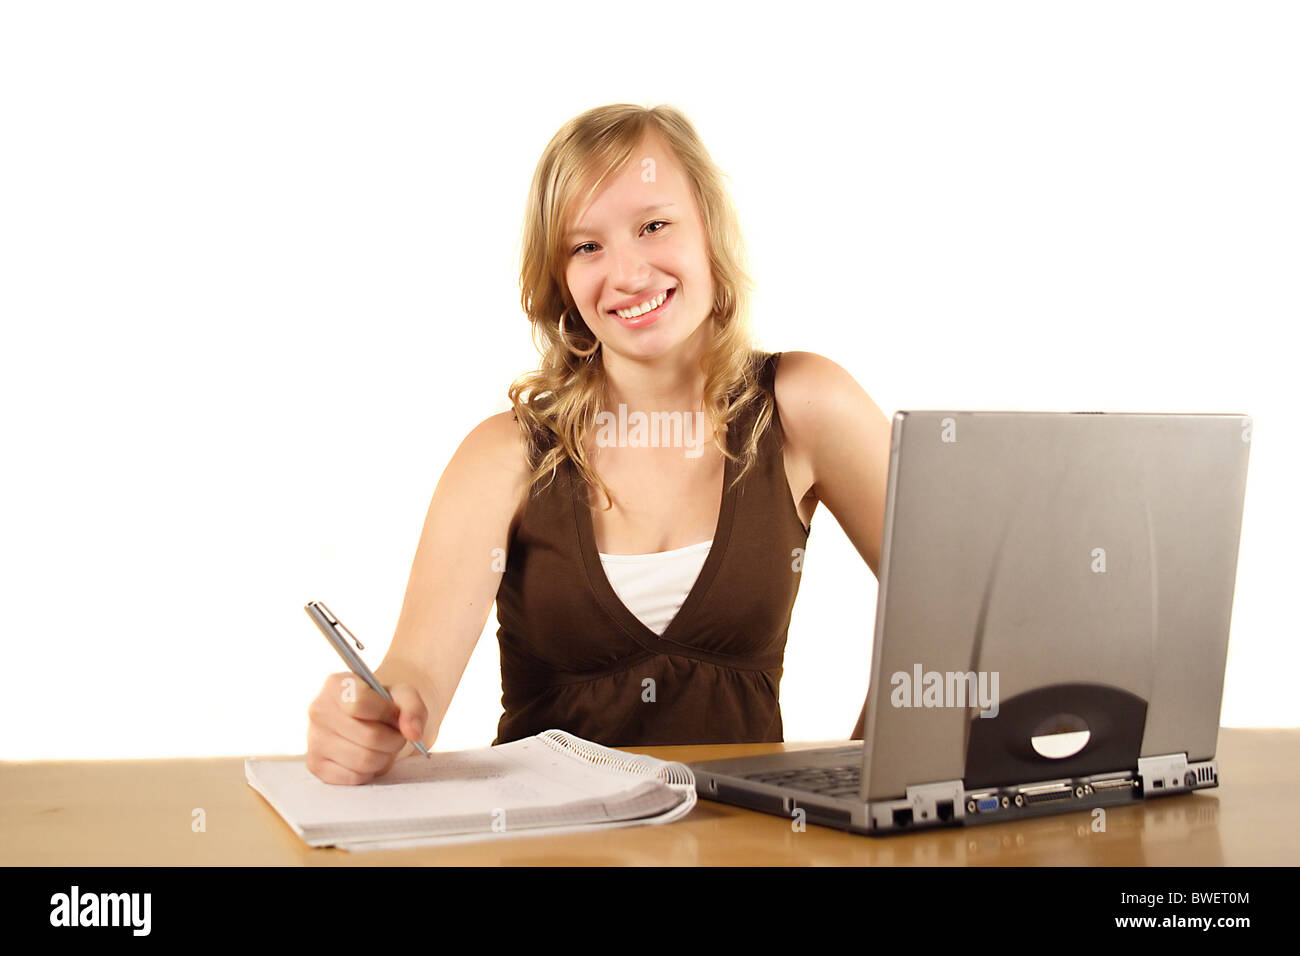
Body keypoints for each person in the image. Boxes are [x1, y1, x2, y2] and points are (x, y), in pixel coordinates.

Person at [306, 104, 891, 785]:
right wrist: (371, 718)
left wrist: (861, 779)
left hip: (746, 849)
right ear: (560, 279)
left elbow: (956, 614)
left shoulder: (802, 405)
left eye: (653, 225)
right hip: (549, 853)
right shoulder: (506, 457)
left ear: (709, 229)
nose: (629, 273)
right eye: (587, 246)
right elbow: (415, 681)